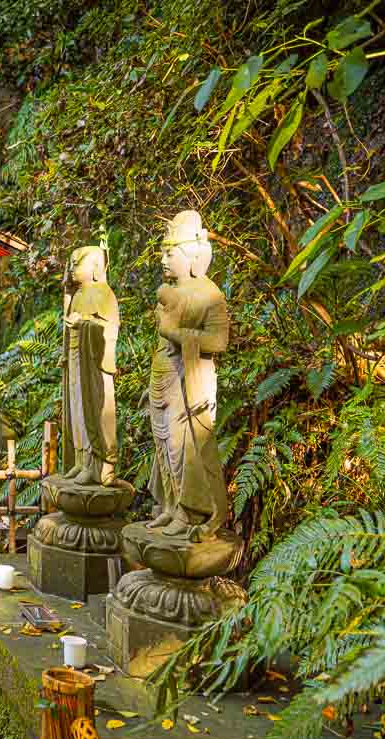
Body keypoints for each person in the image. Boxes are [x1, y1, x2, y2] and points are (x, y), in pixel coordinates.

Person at [145, 211, 229, 540]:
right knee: (163, 445)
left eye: (170, 253)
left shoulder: (210, 295)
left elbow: (218, 342)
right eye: (163, 252)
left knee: (184, 449)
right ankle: (169, 506)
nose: (163, 259)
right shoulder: (170, 293)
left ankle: (189, 511)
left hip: (189, 381)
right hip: (163, 377)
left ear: (193, 257)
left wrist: (178, 333)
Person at [61, 245, 119, 486]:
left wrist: (83, 322)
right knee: (76, 408)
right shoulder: (77, 295)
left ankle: (98, 462)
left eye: (77, 263)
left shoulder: (103, 293)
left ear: (95, 267)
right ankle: (81, 459)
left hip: (92, 359)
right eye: (71, 264)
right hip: (76, 357)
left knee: (91, 407)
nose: (72, 269)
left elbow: (111, 327)